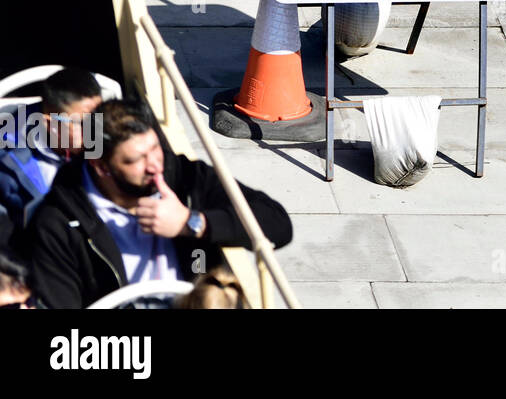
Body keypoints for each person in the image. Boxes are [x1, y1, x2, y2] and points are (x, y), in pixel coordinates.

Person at [27, 99, 292, 309]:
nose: (155, 164)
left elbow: (278, 225)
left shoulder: (184, 178)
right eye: (136, 160)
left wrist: (193, 222)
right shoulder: (57, 222)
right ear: (101, 166)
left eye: (155, 148)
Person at [0, 67, 103, 251]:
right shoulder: (7, 163)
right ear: (50, 123)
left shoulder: (105, 135)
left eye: (98, 116)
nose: (95, 129)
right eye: (83, 123)